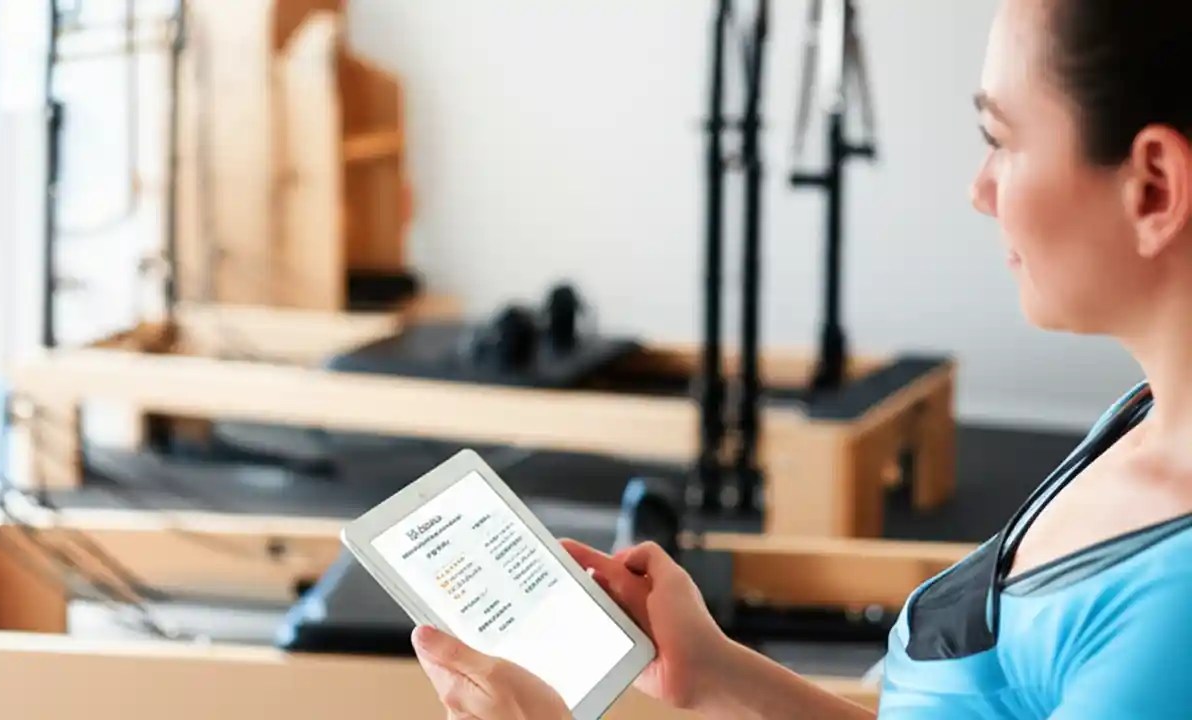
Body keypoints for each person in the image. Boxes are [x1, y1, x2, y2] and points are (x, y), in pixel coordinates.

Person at [408, 0, 1192, 716]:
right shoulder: (1146, 418)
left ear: (1153, 187)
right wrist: (715, 670)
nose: (979, 190)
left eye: (1000, 139)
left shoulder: (1173, 627)